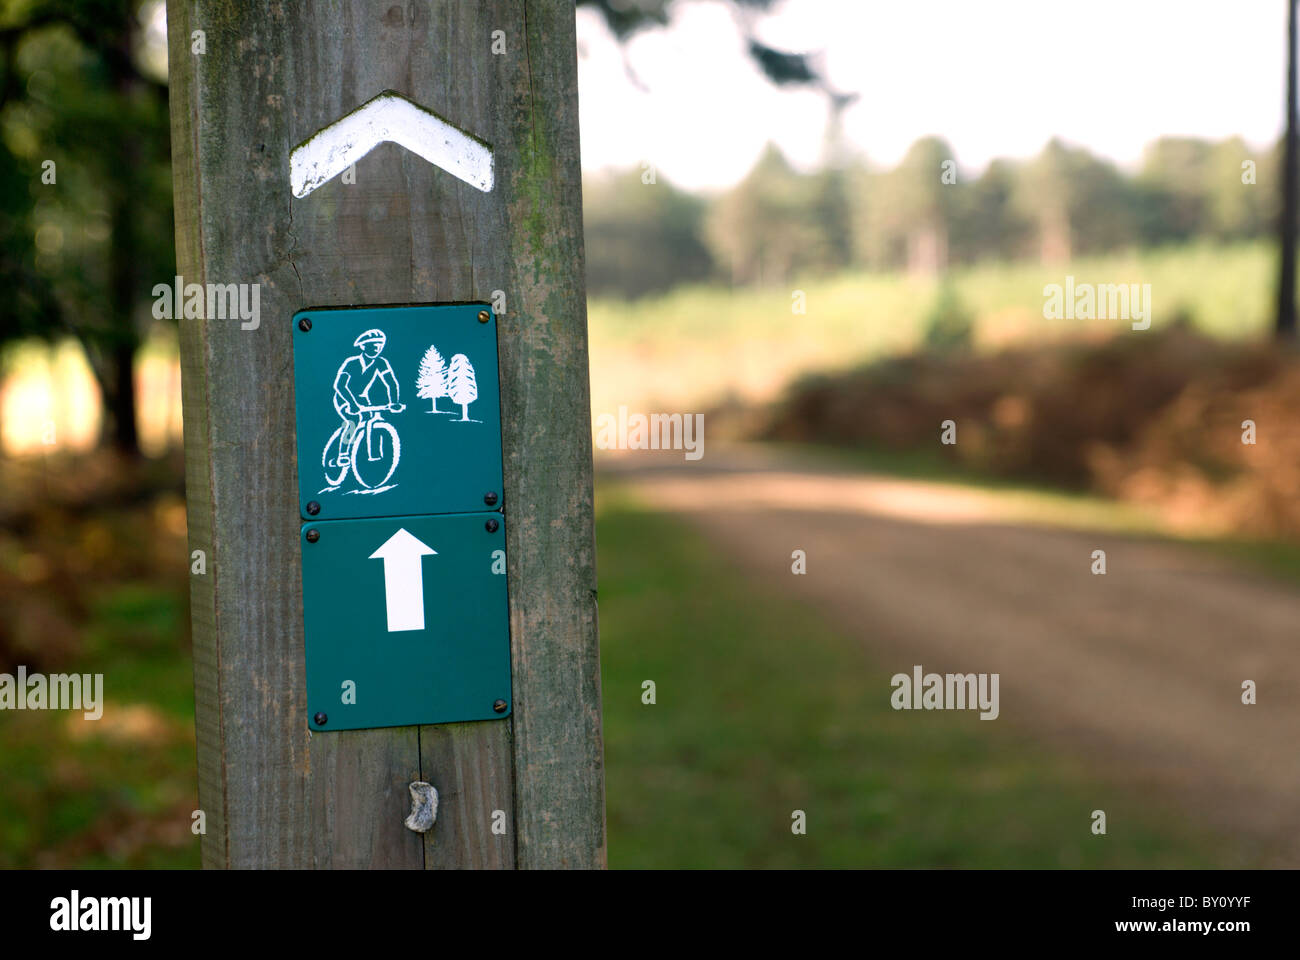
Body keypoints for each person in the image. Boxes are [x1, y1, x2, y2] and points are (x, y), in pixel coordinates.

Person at [332, 328, 404, 468]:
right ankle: (343, 454)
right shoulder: (351, 363)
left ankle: (366, 449)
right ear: (364, 346)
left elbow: (391, 382)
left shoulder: (380, 363)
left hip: (361, 398)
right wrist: (351, 404)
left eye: (380, 345)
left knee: (372, 418)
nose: (377, 348)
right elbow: (339, 385)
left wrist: (394, 402)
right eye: (373, 344)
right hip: (344, 397)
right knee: (354, 420)